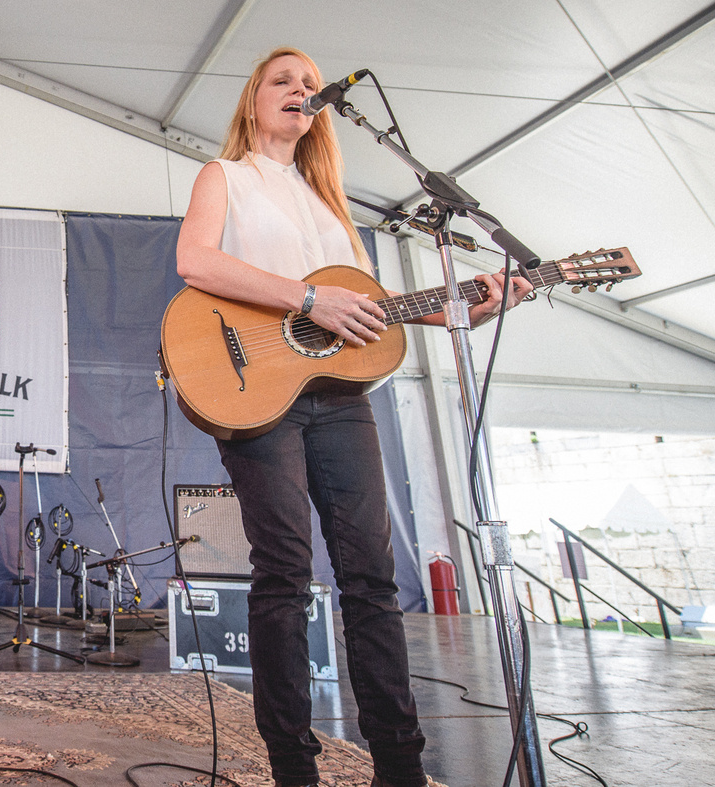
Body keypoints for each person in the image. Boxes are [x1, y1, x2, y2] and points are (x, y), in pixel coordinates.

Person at [175, 48, 530, 787]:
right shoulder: (227, 177)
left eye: (310, 84)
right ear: (253, 101)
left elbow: (368, 311)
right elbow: (196, 262)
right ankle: (294, 766)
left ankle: (399, 764)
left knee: (371, 576)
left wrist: (464, 304)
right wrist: (307, 300)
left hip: (342, 399)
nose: (300, 91)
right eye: (284, 81)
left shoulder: (331, 202)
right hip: (258, 396)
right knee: (286, 572)